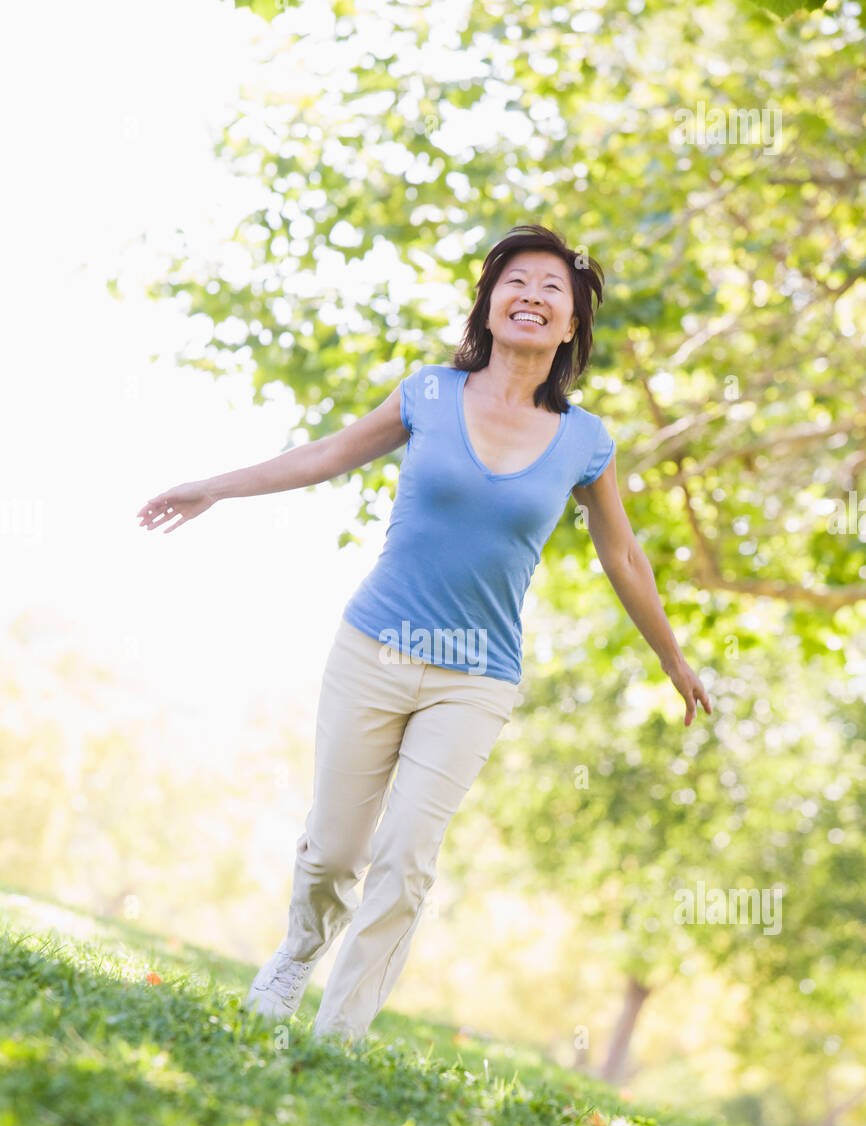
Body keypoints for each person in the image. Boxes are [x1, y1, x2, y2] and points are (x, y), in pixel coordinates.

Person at [136, 223, 711, 1044]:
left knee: (405, 857)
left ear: (573, 323)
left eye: (554, 288)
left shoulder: (586, 440)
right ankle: (297, 955)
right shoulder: (429, 395)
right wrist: (214, 489)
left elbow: (622, 555)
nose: (533, 297)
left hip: (475, 679)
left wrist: (674, 660)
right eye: (516, 281)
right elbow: (327, 455)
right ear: (489, 301)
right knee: (333, 852)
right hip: (372, 649)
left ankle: (339, 1035)